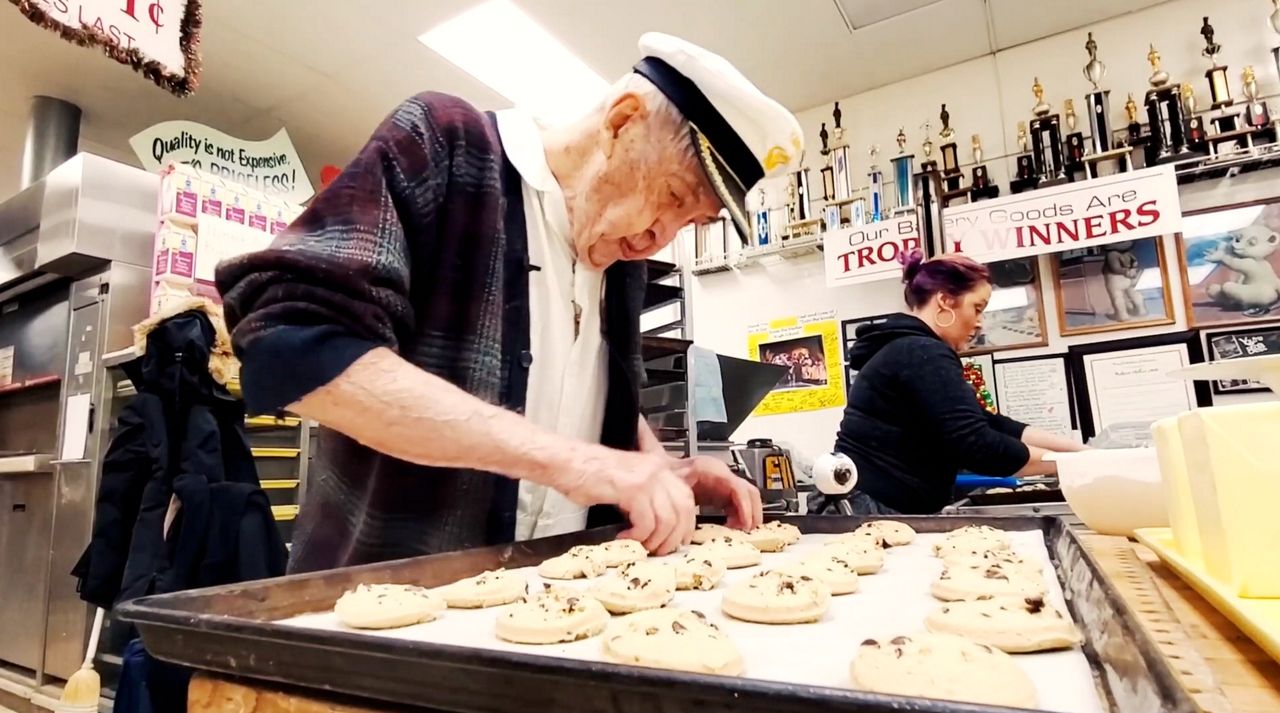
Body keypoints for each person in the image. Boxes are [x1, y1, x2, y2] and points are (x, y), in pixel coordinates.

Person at [215, 33, 801, 572]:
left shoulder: (623, 263)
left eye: (690, 221)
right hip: (388, 601)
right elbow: (293, 340)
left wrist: (666, 471)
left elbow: (578, 392)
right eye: (671, 195)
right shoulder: (445, 143)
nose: (659, 237)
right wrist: (578, 463)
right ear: (622, 122)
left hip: (556, 611)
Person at [832, 252, 1084, 515]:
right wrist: (1069, 464)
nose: (979, 323)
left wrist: (1078, 451)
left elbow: (988, 423)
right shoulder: (920, 351)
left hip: (862, 503)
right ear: (944, 300)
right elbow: (977, 444)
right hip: (871, 509)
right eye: (977, 308)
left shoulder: (907, 348)